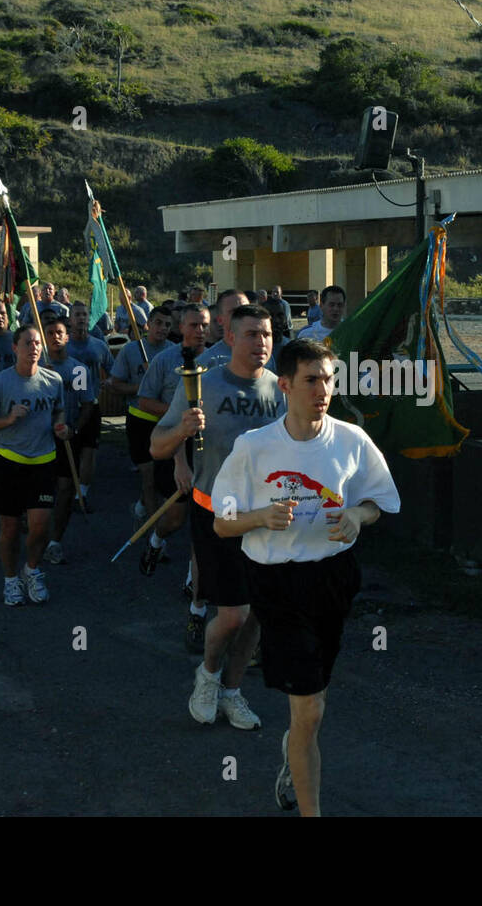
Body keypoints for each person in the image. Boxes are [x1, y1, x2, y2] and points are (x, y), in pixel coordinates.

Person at [211, 337, 400, 816]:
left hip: (334, 578)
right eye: (312, 380)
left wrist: (357, 515)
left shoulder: (352, 440)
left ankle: (295, 748)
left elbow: (380, 501)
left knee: (313, 705)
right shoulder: (254, 447)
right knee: (310, 706)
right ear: (285, 385)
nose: (323, 390)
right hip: (276, 582)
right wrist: (260, 517)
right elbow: (221, 523)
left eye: (329, 380)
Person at [151, 304, 287, 732]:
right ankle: (208, 675)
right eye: (251, 334)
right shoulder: (202, 385)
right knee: (232, 615)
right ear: (229, 338)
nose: (261, 342)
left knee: (257, 614)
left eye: (266, 334)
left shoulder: (280, 389)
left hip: (264, 516)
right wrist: (182, 431)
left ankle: (232, 691)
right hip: (216, 512)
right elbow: (157, 444)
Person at [0, 325, 68, 607]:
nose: (34, 348)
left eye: (37, 343)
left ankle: (32, 570)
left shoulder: (53, 380)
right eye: (27, 343)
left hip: (43, 460)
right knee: (10, 528)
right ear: (15, 348)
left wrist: (61, 426)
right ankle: (11, 579)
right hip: (8, 461)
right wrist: (8, 419)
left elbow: (59, 410)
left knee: (41, 526)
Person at [135, 303, 209, 577]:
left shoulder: (219, 359)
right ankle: (156, 540)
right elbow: (144, 400)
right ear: (181, 327)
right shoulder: (165, 360)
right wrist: (180, 414)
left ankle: (194, 581)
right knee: (176, 517)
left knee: (206, 518)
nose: (200, 331)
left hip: (211, 447)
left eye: (204, 325)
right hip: (176, 443)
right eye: (193, 325)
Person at [110, 306, 173, 524]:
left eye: (167, 325)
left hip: (166, 421)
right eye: (158, 323)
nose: (162, 328)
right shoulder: (131, 350)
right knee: (148, 476)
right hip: (140, 420)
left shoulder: (173, 352)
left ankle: (142, 505)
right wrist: (144, 386)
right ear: (148, 324)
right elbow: (115, 384)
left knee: (161, 479)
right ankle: (154, 531)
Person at [39, 312, 93, 565]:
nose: (55, 337)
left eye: (59, 333)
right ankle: (36, 532)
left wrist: (75, 430)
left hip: (66, 437)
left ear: (67, 336)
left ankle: (55, 542)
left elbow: (87, 404)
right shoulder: (35, 368)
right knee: (40, 490)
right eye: (50, 333)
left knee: (65, 489)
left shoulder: (78, 369)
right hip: (39, 438)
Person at [65, 301, 113, 508]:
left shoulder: (98, 345)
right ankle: (64, 487)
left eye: (84, 315)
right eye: (77, 315)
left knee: (89, 450)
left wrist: (109, 382)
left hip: (90, 405)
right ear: (70, 319)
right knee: (67, 450)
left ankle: (82, 494)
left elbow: (113, 370)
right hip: (66, 406)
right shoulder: (62, 346)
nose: (81, 318)